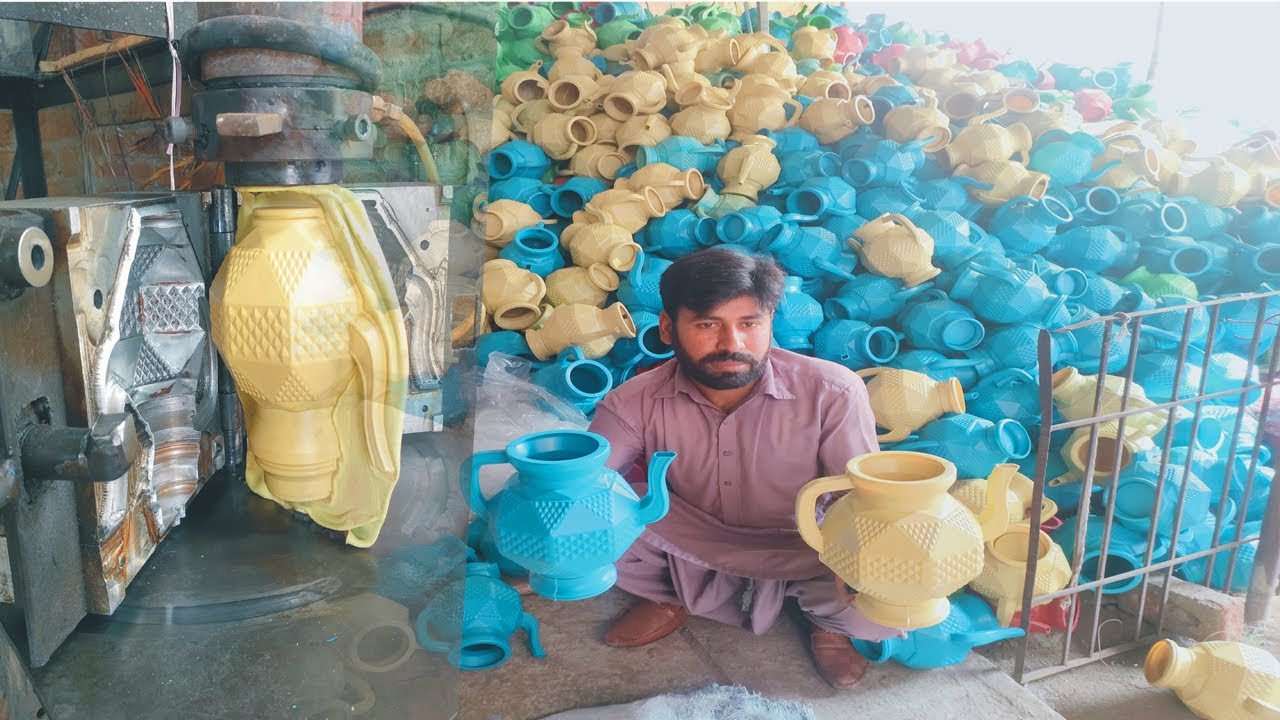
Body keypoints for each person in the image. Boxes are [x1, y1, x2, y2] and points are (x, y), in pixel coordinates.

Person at [587, 247, 901, 690]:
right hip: (693, 535)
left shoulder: (832, 391)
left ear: (771, 323)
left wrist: (861, 563)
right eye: (707, 324)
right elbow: (584, 481)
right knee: (601, 522)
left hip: (805, 544)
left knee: (886, 597)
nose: (731, 343)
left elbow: (860, 497)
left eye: (749, 324)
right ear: (667, 328)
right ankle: (671, 595)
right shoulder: (633, 400)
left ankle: (827, 624)